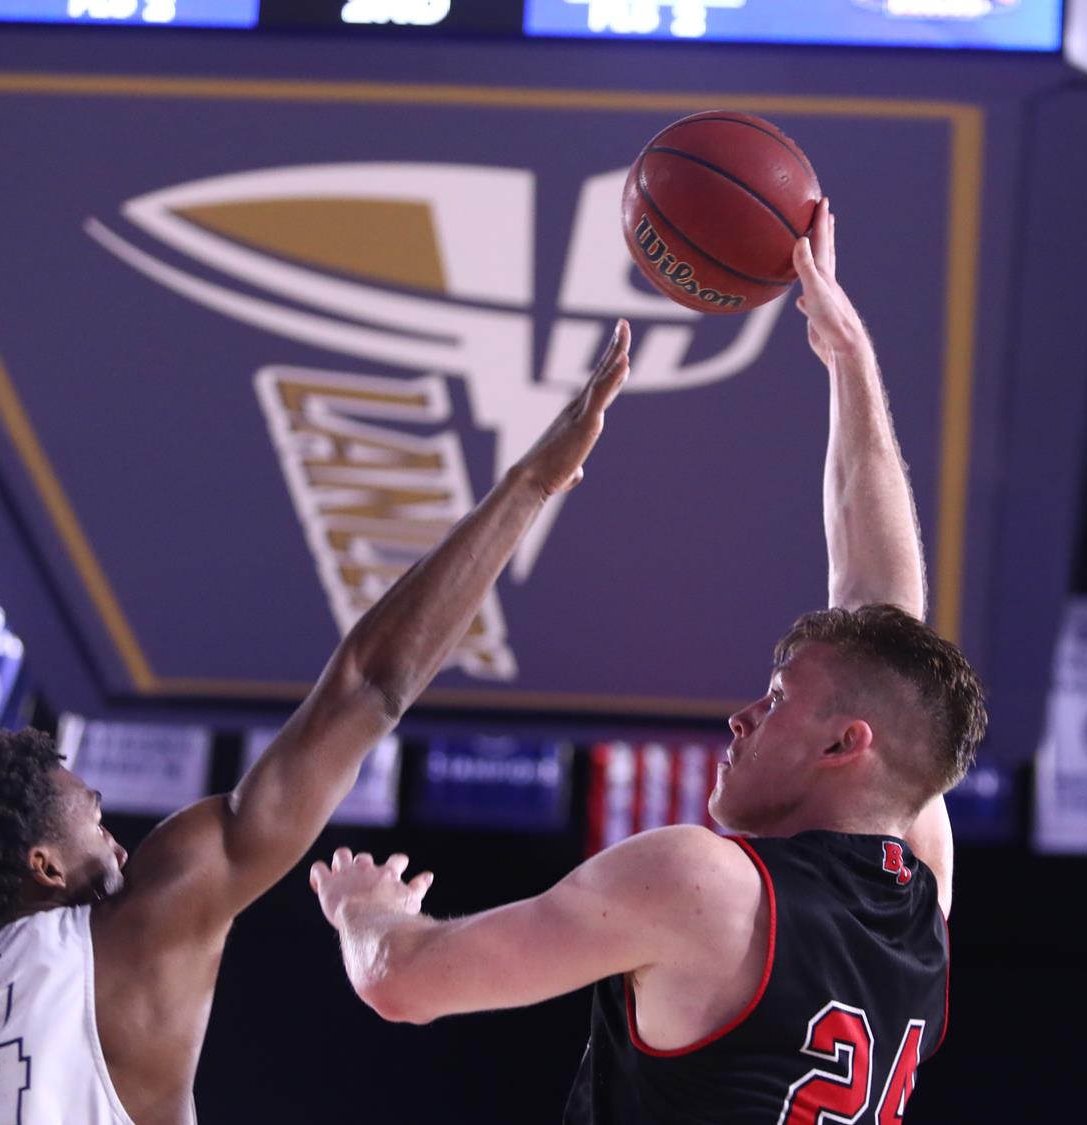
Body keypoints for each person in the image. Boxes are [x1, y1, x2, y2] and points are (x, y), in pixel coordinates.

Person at [0, 322, 636, 1125]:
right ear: (45, 865)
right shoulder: (121, 944)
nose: (122, 845)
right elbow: (368, 687)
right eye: (95, 822)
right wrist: (530, 481)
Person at [308, 200, 987, 1123]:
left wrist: (364, 910)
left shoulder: (704, 886)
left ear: (843, 747)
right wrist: (849, 359)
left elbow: (403, 982)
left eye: (779, 697)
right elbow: (885, 620)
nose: (743, 716)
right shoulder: (920, 897)